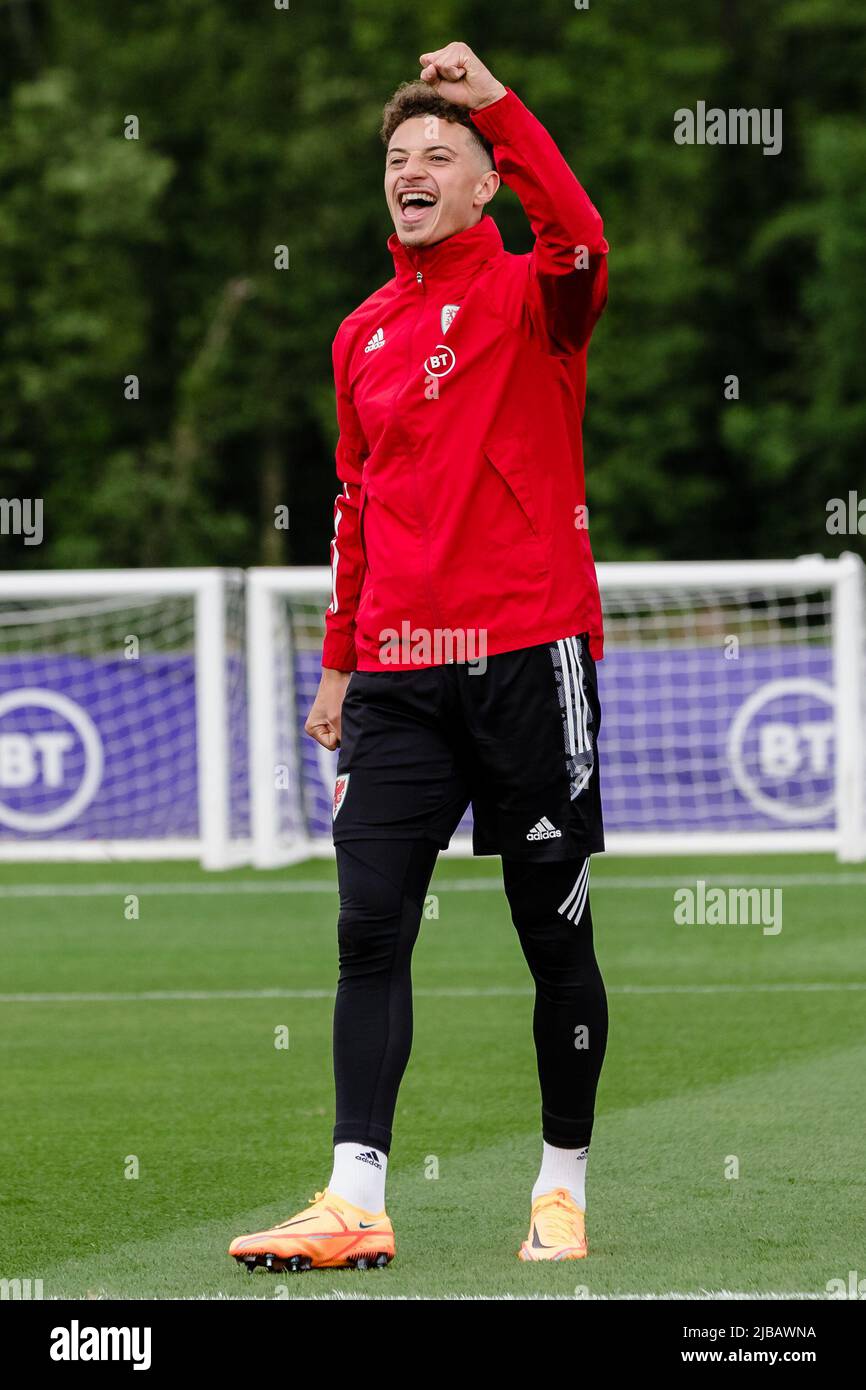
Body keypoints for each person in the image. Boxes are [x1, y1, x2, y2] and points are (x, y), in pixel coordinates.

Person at [230, 40, 609, 1273]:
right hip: (395, 671)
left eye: (440, 154)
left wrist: (493, 99)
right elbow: (354, 501)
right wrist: (338, 663)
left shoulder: (533, 293)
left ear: (486, 183)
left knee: (549, 936)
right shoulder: (361, 334)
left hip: (526, 653)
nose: (413, 169)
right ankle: (354, 1197)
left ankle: (559, 1184)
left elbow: (584, 234)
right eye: (397, 157)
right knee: (367, 922)